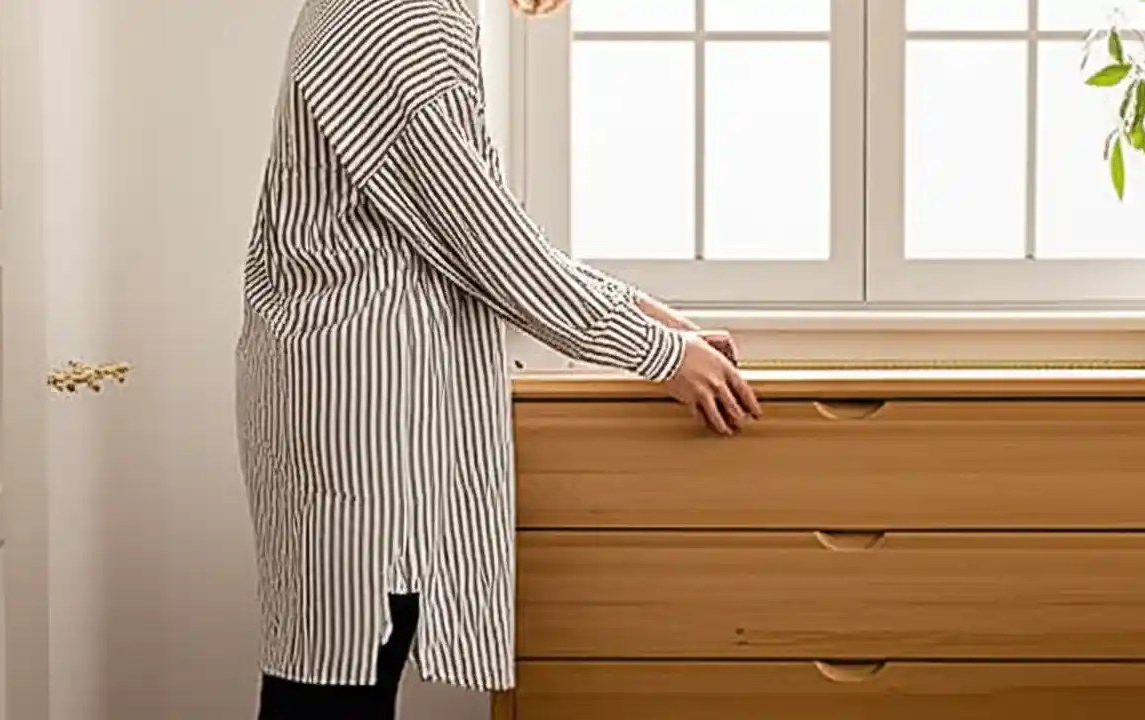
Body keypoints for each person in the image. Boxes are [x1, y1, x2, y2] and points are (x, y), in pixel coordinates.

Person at [235, 0, 761, 717]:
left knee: (333, 668)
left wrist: (660, 321)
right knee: (336, 683)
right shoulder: (403, 18)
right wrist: (661, 353)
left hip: (352, 396)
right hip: (364, 410)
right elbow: (494, 252)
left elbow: (482, 231)